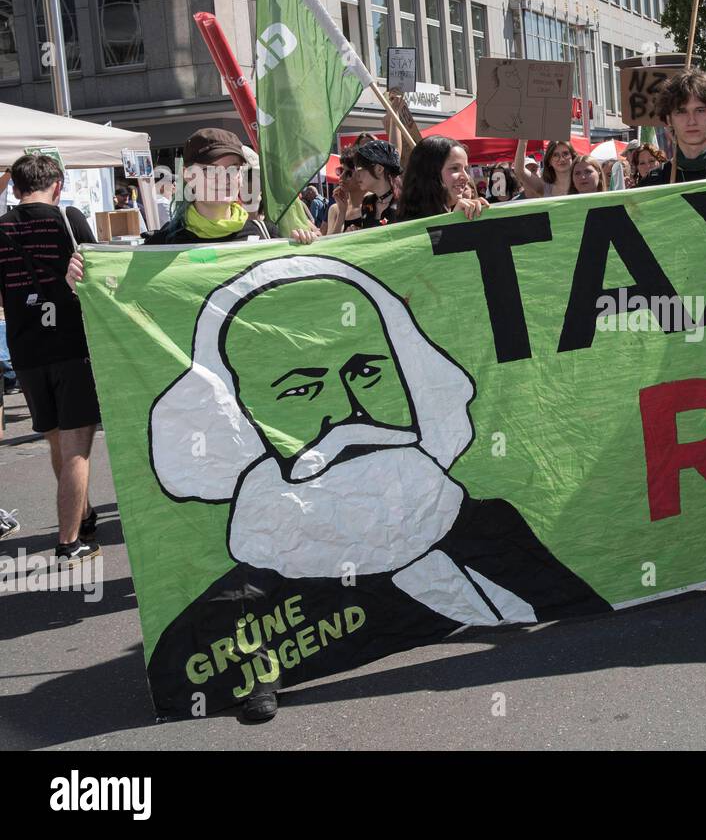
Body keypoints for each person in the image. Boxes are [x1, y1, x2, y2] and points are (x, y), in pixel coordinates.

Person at [143, 254, 611, 721]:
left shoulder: (492, 526)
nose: (349, 411)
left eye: (367, 372)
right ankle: (262, 680)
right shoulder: (229, 605)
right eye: (301, 391)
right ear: (242, 418)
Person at [0, 153, 101, 565]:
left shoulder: (1, 228)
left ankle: (85, 511)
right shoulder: (68, 220)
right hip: (70, 345)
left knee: (57, 439)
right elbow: (100, 274)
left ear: (14, 186)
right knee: (78, 443)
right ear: (57, 186)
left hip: (25, 348)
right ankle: (68, 542)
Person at [136, 129, 317, 245]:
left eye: (233, 169)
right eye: (211, 170)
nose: (224, 179)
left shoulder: (266, 235)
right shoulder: (162, 244)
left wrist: (301, 251)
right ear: (189, 175)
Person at [637, 69, 706, 186]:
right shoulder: (652, 185)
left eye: (700, 110)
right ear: (669, 119)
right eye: (681, 112)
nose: (691, 121)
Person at [396, 136, 486, 221]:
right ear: (430, 172)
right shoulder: (408, 225)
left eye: (465, 169)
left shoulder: (458, 212)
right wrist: (453, 223)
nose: (466, 177)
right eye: (455, 168)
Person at [353, 140, 402, 225]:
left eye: (360, 169)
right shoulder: (367, 203)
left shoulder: (405, 203)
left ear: (379, 169)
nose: (357, 174)